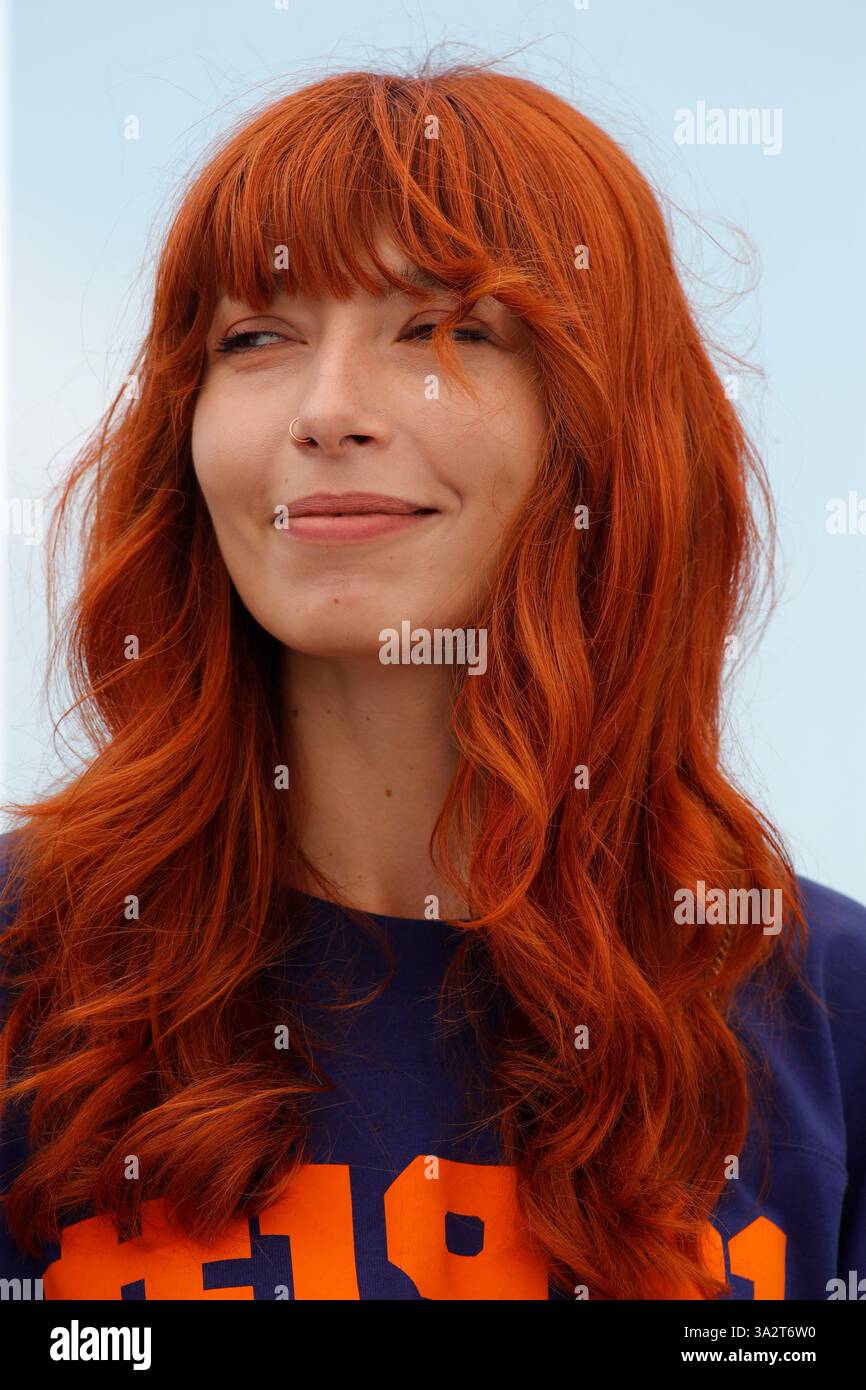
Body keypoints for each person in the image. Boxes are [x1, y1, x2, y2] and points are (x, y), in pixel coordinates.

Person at [1, 57, 864, 1303]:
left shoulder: (823, 1007)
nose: (329, 409)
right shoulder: (34, 972)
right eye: (256, 337)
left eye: (444, 330)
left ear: (609, 428)